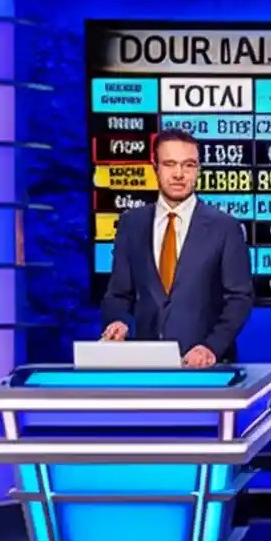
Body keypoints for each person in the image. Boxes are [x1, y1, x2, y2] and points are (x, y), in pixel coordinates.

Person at [100, 128, 254, 367]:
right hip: (147, 367)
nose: (179, 174)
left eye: (188, 165)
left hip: (208, 369)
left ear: (198, 169)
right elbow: (119, 293)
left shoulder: (225, 228)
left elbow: (239, 298)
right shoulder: (131, 224)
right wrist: (117, 322)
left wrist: (211, 347)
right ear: (156, 167)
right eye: (170, 164)